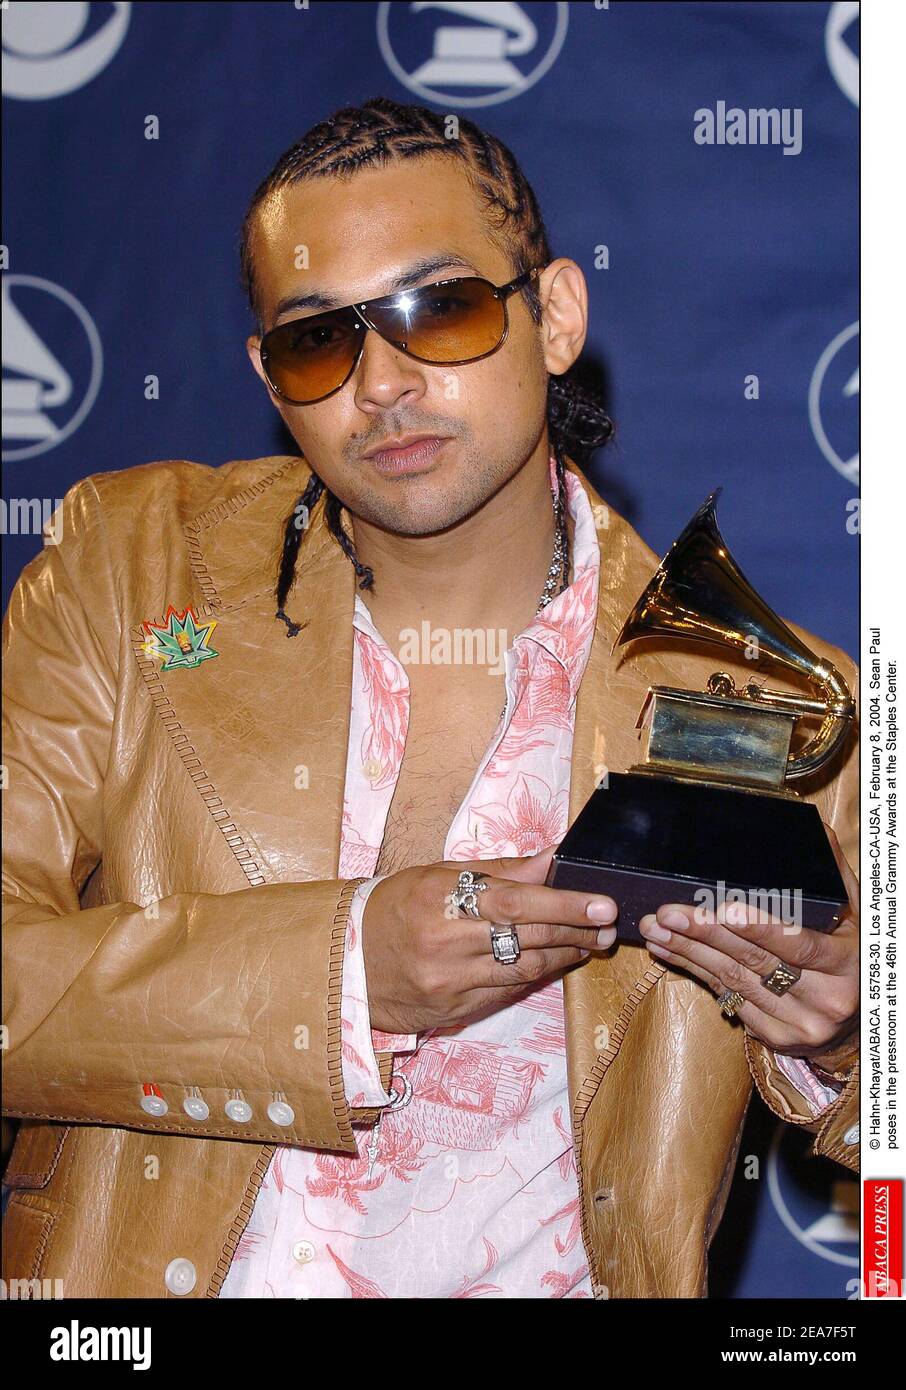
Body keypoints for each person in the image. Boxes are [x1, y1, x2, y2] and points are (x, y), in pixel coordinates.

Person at [1, 97, 859, 1300]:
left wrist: (841, 1036)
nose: (383, 383)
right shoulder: (123, 567)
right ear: (268, 376)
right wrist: (341, 975)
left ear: (554, 315)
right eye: (318, 341)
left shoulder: (773, 701)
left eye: (438, 309)